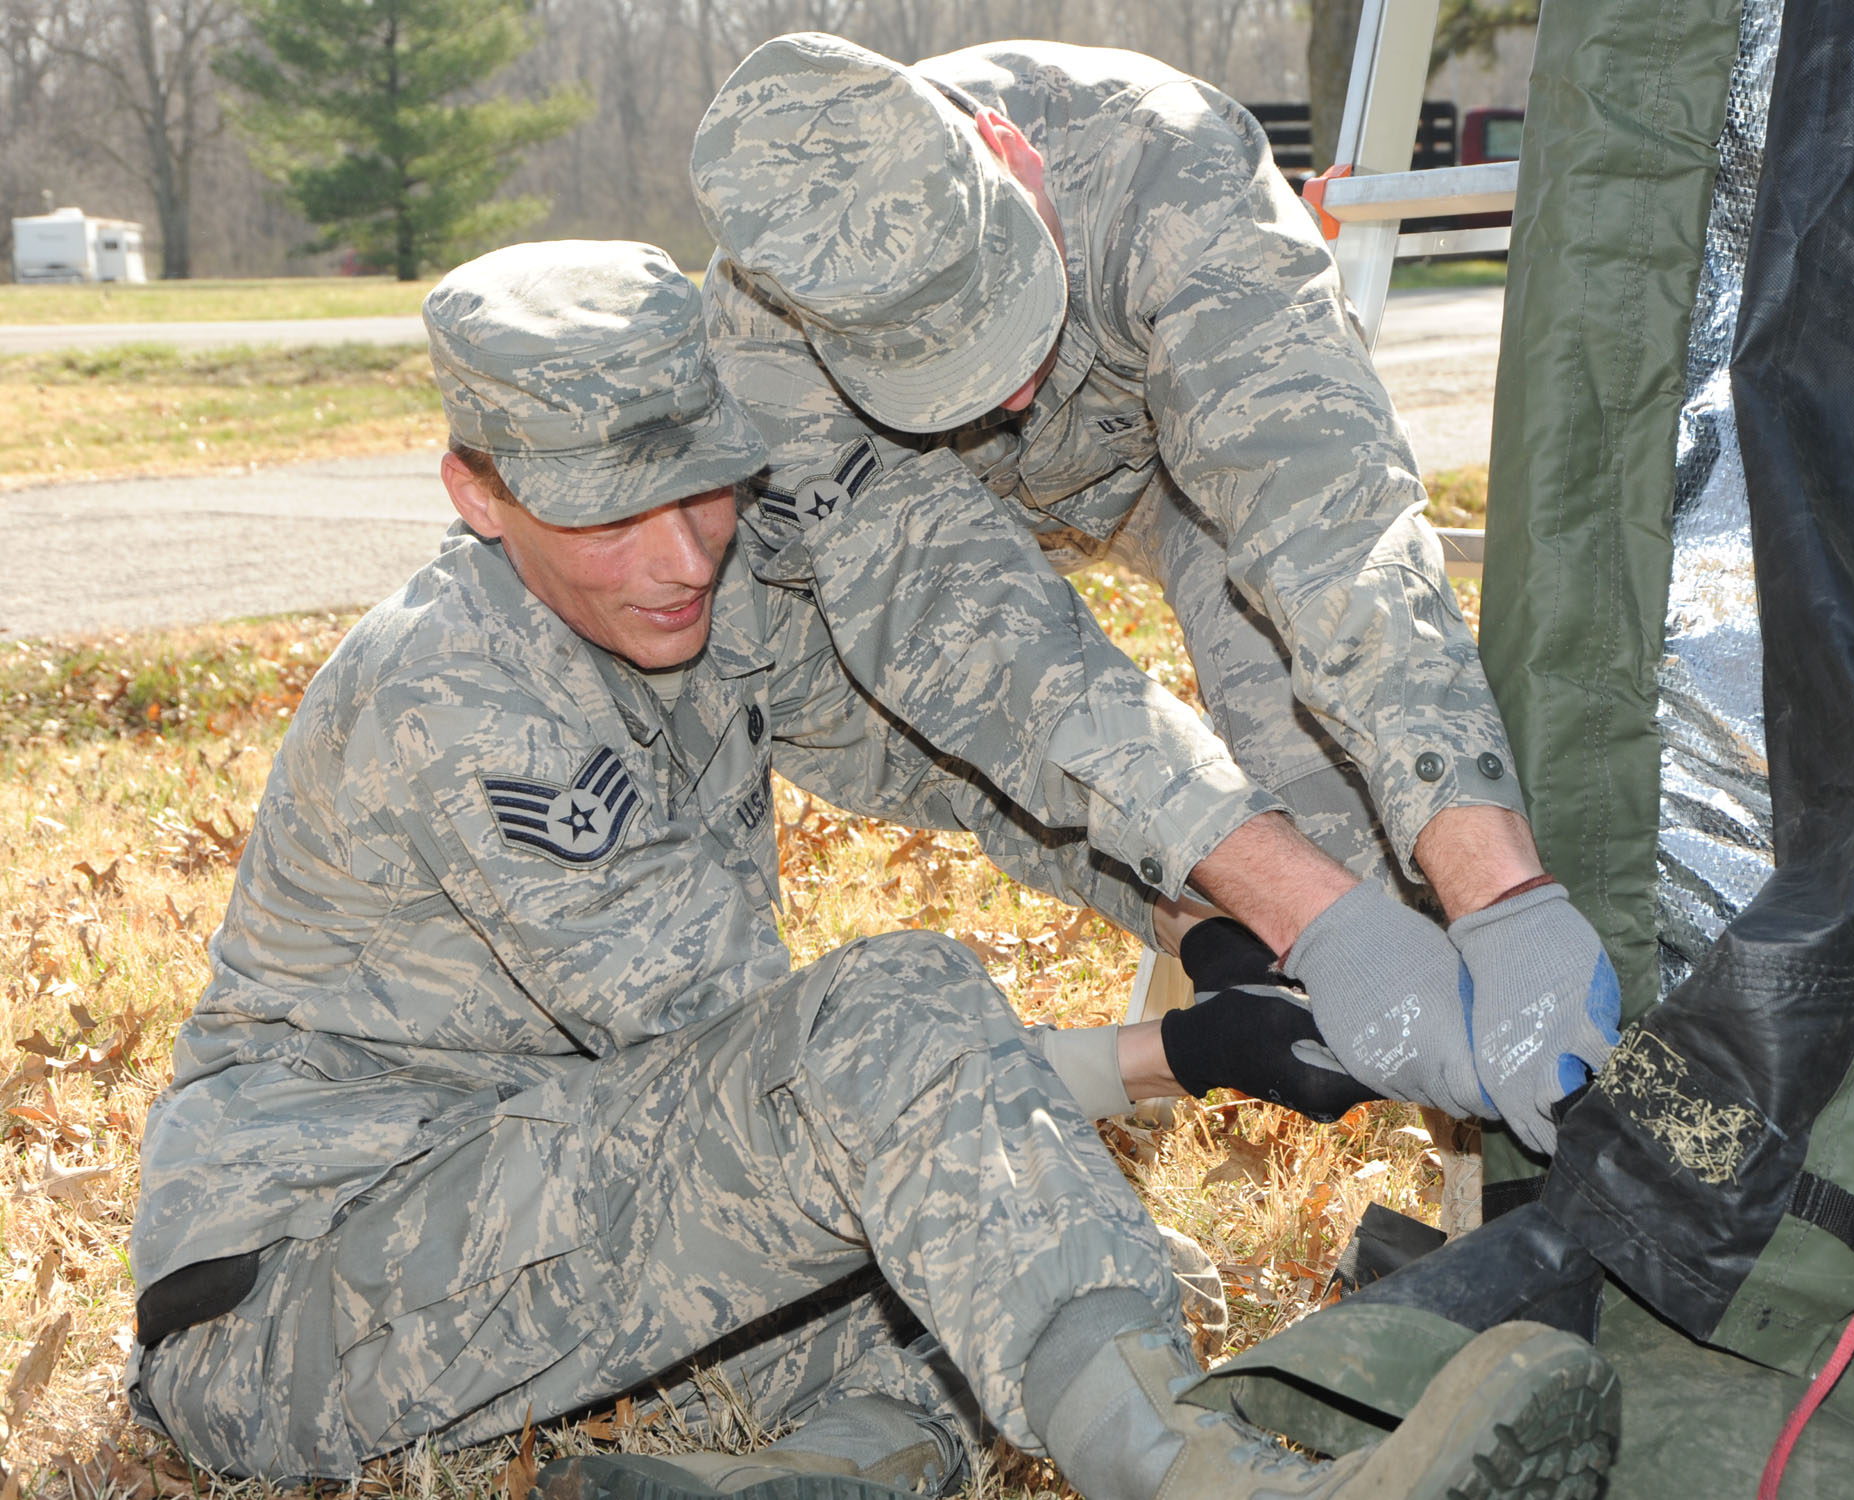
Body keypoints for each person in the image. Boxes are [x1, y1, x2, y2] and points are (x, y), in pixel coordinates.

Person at [121, 240, 1616, 1499]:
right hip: (302, 1302)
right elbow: (808, 1075)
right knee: (931, 1092)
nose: (681, 557)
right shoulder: (457, 697)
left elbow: (954, 771)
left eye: (703, 488)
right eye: (607, 514)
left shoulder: (696, 604)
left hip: (542, 1218)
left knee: (1043, 1281)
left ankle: (772, 1481)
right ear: (476, 490)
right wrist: (1183, 1050)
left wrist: (1213, 916)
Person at [687, 34, 1621, 1158]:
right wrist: (1300, 916)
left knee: (1362, 827)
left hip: (1175, 460)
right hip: (950, 524)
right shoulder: (766, 348)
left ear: (1010, 150)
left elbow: (1325, 528)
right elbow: (998, 665)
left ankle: (1498, 1130)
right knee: (996, 764)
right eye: (946, 370)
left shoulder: (1166, 166)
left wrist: (1496, 893)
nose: (1015, 391)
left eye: (1011, 316)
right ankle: (1219, 938)